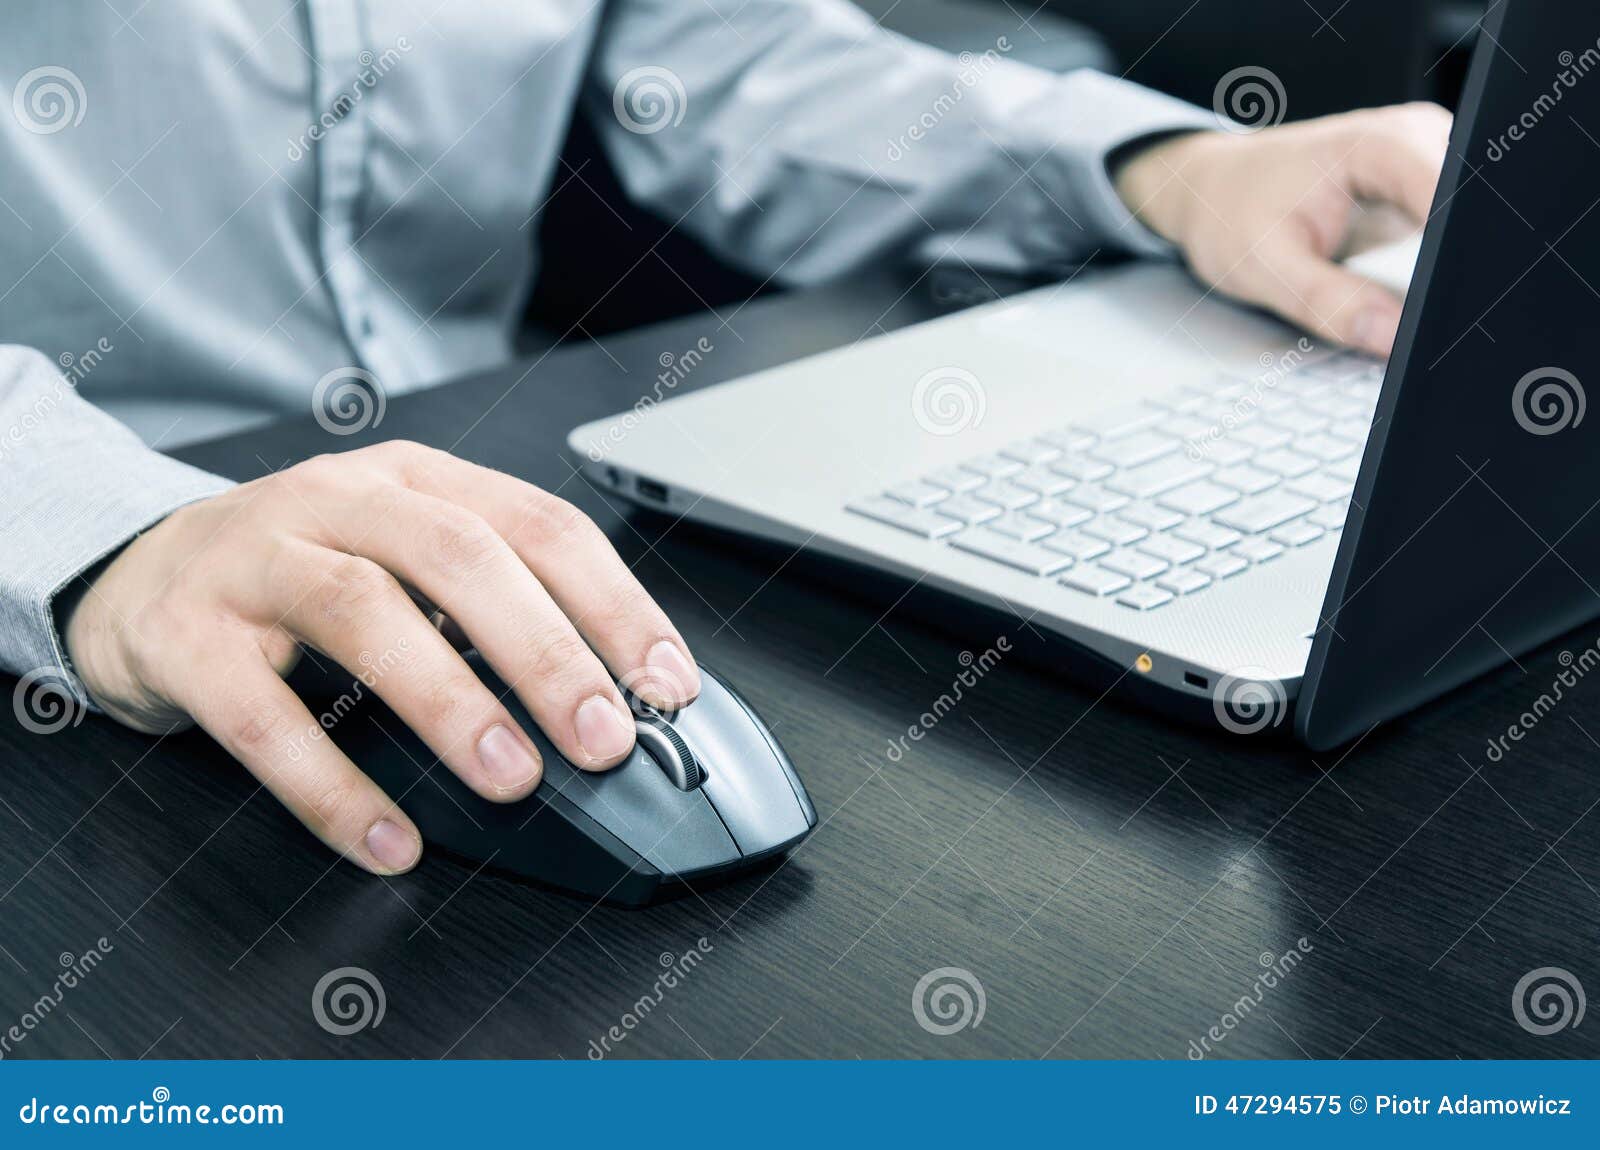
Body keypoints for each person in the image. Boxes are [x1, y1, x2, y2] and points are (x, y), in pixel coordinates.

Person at [0, 2, 1449, 875]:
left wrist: (1159, 165)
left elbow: (734, 64)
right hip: (82, 599)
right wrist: (108, 535)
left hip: (496, 521)